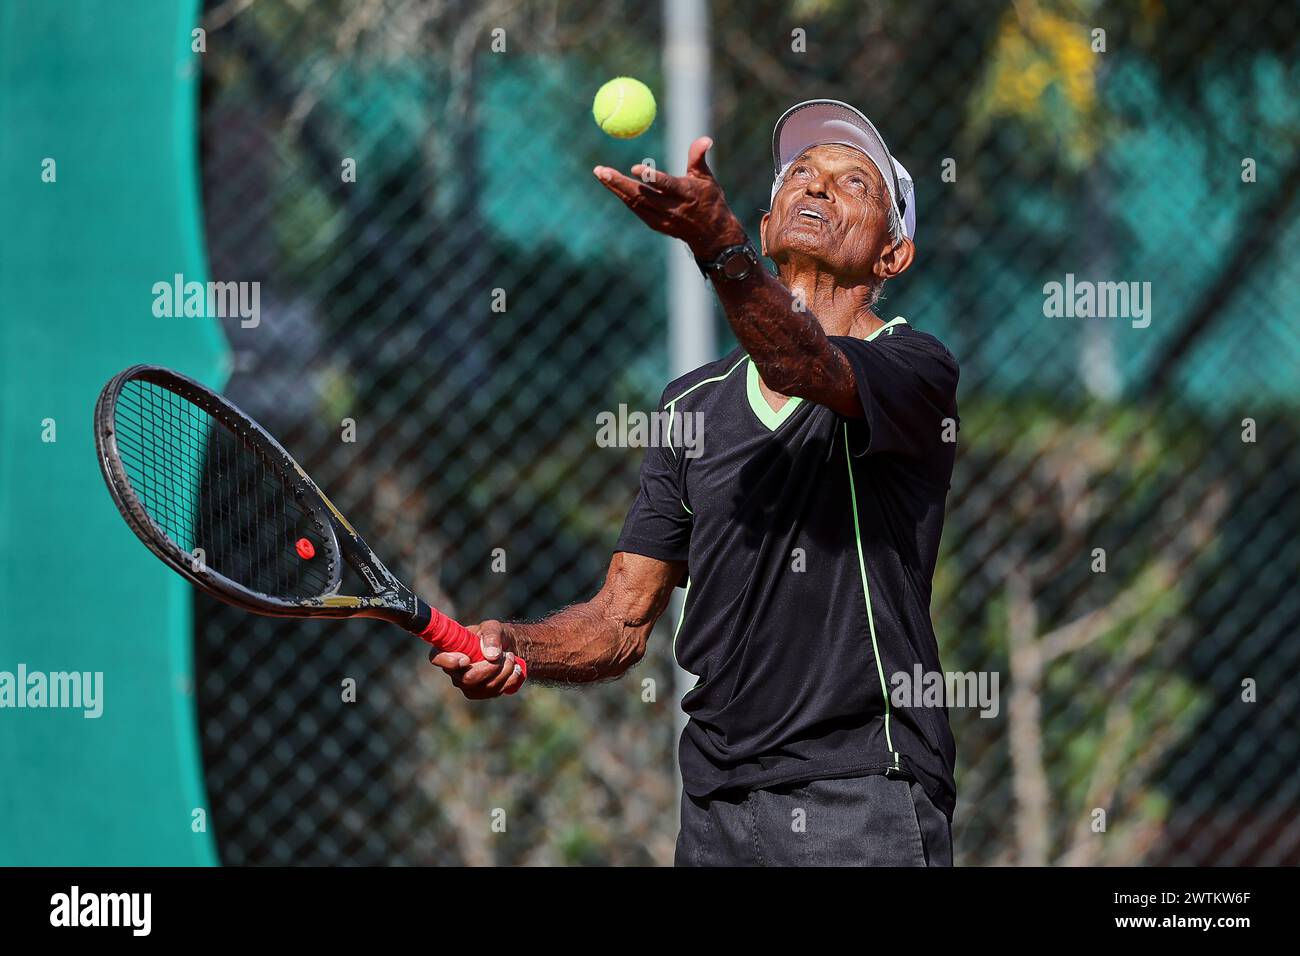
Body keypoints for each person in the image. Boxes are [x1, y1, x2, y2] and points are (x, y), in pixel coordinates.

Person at [432, 100, 959, 866]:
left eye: (856, 184)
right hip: (715, 807)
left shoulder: (916, 369)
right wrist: (514, 646)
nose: (816, 187)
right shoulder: (690, 405)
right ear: (768, 222)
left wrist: (718, 247)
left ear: (892, 257)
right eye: (800, 175)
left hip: (862, 793)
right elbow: (619, 622)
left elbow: (801, 363)